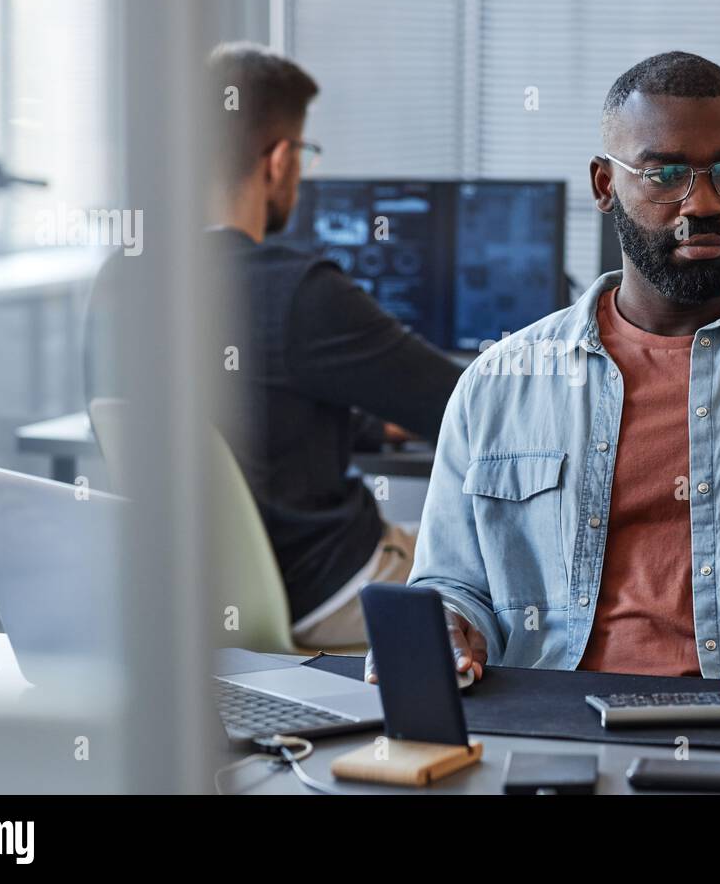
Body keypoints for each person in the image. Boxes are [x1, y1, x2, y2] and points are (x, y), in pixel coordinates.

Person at [369, 51, 720, 696]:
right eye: (665, 173)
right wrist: (447, 625)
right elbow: (452, 583)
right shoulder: (498, 383)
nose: (705, 202)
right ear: (605, 185)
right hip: (553, 713)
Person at [85, 42, 462, 647]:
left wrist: (366, 424)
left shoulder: (118, 279)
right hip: (330, 589)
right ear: (280, 160)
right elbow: (468, 409)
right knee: (503, 578)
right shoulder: (299, 288)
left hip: (191, 596)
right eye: (304, 156)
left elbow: (234, 408)